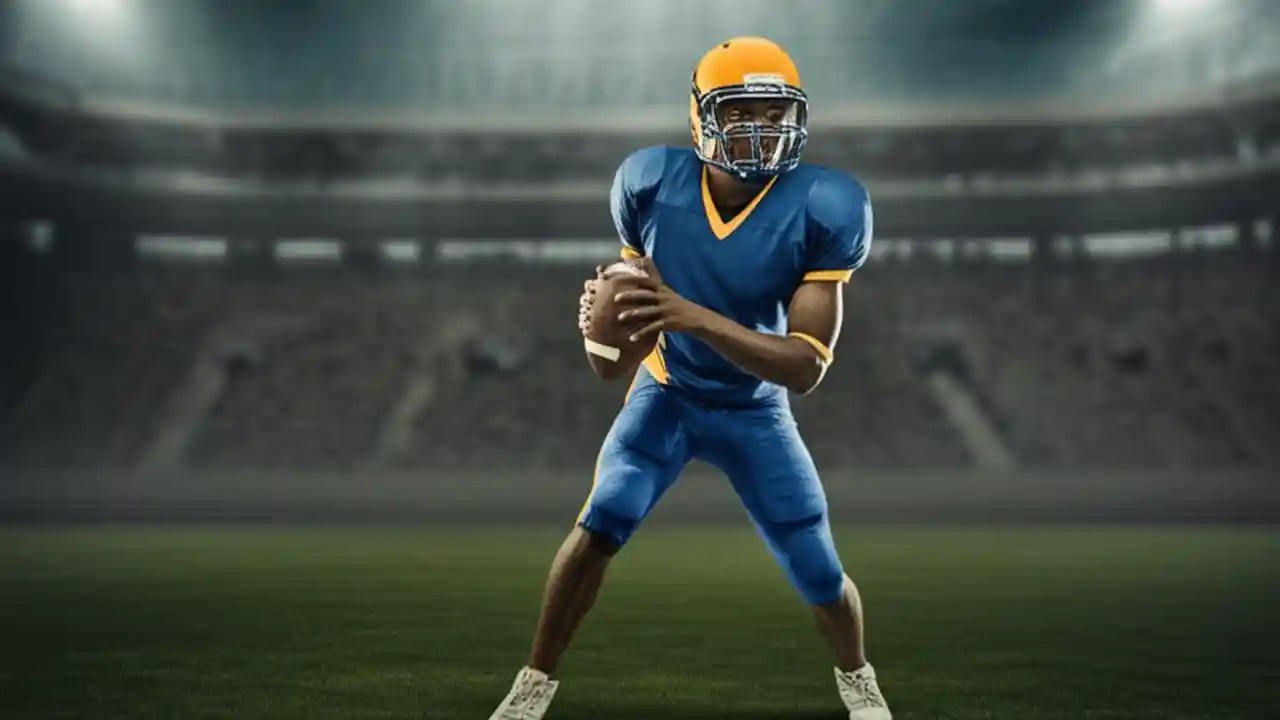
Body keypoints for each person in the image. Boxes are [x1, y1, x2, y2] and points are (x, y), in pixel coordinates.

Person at [489, 36, 890, 720]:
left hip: (753, 410)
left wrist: (693, 316)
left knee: (818, 569)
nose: (761, 131)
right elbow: (609, 366)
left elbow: (804, 368)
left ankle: (858, 680)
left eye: (774, 114)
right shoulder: (649, 184)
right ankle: (532, 688)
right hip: (667, 392)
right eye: (742, 113)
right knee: (600, 520)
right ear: (702, 116)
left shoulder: (825, 204)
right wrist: (601, 327)